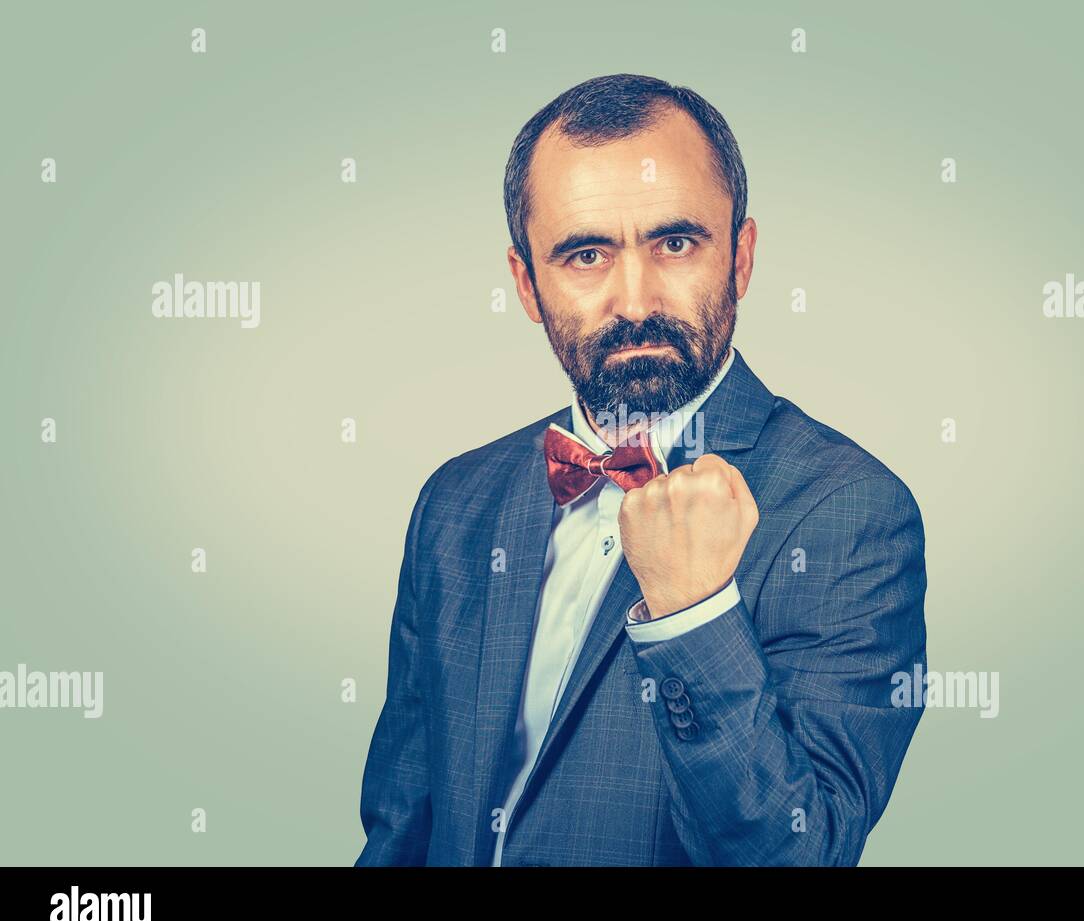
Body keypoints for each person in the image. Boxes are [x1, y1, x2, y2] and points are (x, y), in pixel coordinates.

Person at [356, 73, 928, 866]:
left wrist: (692, 614)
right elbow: (399, 830)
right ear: (527, 284)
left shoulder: (853, 511)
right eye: (586, 254)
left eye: (676, 244)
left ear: (741, 258)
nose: (635, 301)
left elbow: (800, 853)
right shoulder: (455, 503)